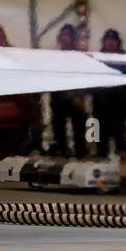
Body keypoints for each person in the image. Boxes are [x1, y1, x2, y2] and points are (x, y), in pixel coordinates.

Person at [91, 28, 126, 156]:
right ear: (103, 42)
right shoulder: (96, 59)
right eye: (108, 40)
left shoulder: (125, 60)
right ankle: (100, 169)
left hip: (118, 107)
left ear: (118, 43)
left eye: (113, 40)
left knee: (120, 141)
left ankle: (123, 171)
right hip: (100, 107)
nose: (110, 43)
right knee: (100, 142)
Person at [49, 23, 89, 158]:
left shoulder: (79, 55)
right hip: (58, 98)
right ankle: (62, 155)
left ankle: (80, 156)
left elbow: (84, 76)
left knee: (79, 131)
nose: (65, 38)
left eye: (67, 35)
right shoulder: (54, 56)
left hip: (75, 98)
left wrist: (79, 96)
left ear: (72, 38)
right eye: (63, 35)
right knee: (59, 131)